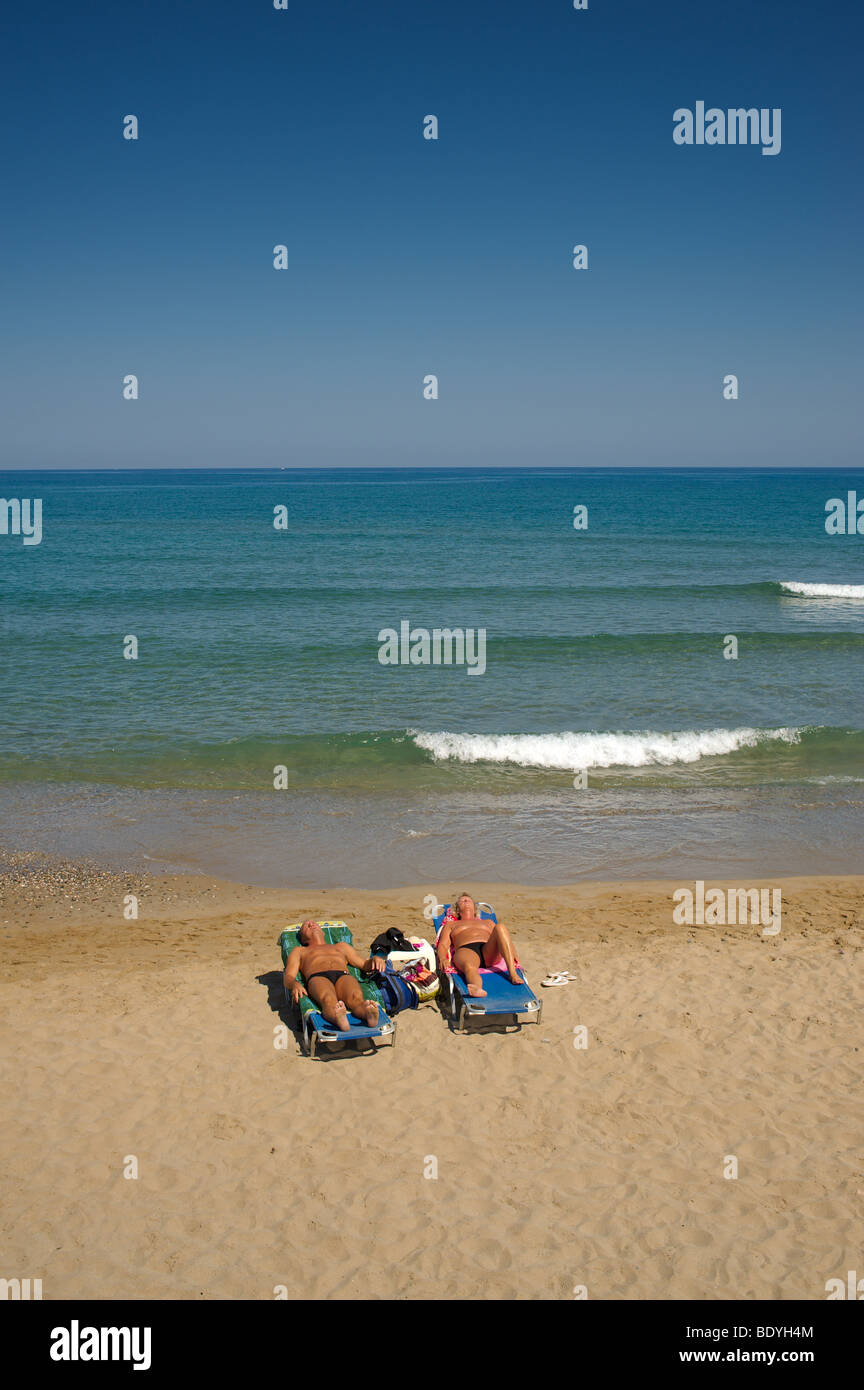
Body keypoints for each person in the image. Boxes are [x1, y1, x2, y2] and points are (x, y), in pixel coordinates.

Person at [283, 920, 385, 1031]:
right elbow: (288, 976)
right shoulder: (299, 951)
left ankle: (367, 1013)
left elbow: (364, 964)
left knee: (356, 996)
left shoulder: (341, 947)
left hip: (343, 975)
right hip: (318, 977)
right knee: (328, 999)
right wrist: (294, 984)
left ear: (323, 933)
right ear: (303, 939)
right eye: (306, 926)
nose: (312, 925)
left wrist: (375, 959)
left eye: (314, 923)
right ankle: (338, 1018)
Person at [436, 893, 521, 997]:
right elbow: (443, 945)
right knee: (469, 966)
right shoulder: (451, 924)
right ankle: (476, 988)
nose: (466, 901)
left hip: (488, 950)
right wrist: (443, 958)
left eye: (469, 900)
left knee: (500, 927)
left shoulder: (488, 922)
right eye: (462, 901)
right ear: (457, 910)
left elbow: (503, 937)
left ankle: (512, 974)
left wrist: (513, 953)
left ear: (475, 908)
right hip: (466, 950)